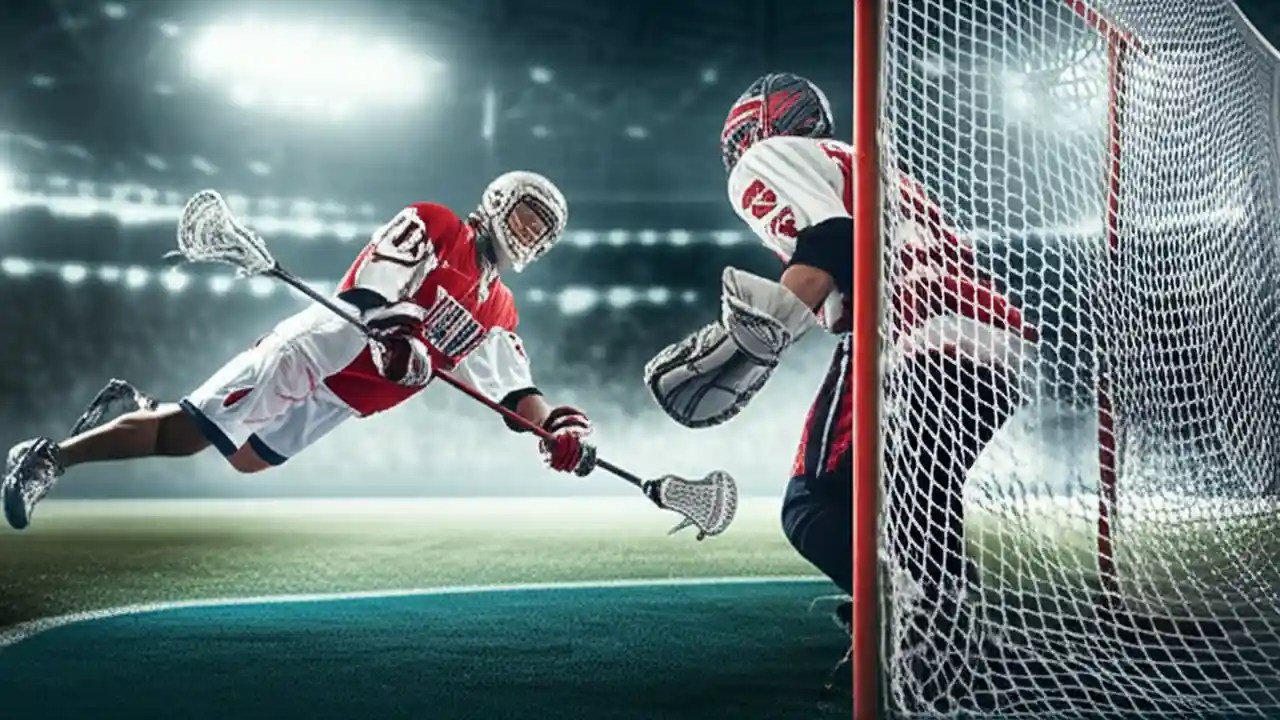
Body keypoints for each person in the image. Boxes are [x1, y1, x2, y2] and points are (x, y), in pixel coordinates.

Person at [642, 72, 1037, 685]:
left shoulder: (766, 159)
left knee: (812, 502)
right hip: (998, 346)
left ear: (757, 127)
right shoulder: (878, 168)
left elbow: (834, 241)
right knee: (919, 500)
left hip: (913, 337)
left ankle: (911, 620)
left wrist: (757, 338)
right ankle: (954, 638)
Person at [3, 171, 595, 530]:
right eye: (524, 216)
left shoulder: (501, 308)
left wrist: (556, 431)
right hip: (321, 350)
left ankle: (144, 404)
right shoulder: (438, 225)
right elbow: (372, 284)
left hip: (350, 397)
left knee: (246, 458)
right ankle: (49, 458)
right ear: (496, 201)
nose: (526, 234)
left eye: (540, 231)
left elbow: (515, 393)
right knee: (186, 437)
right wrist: (401, 331)